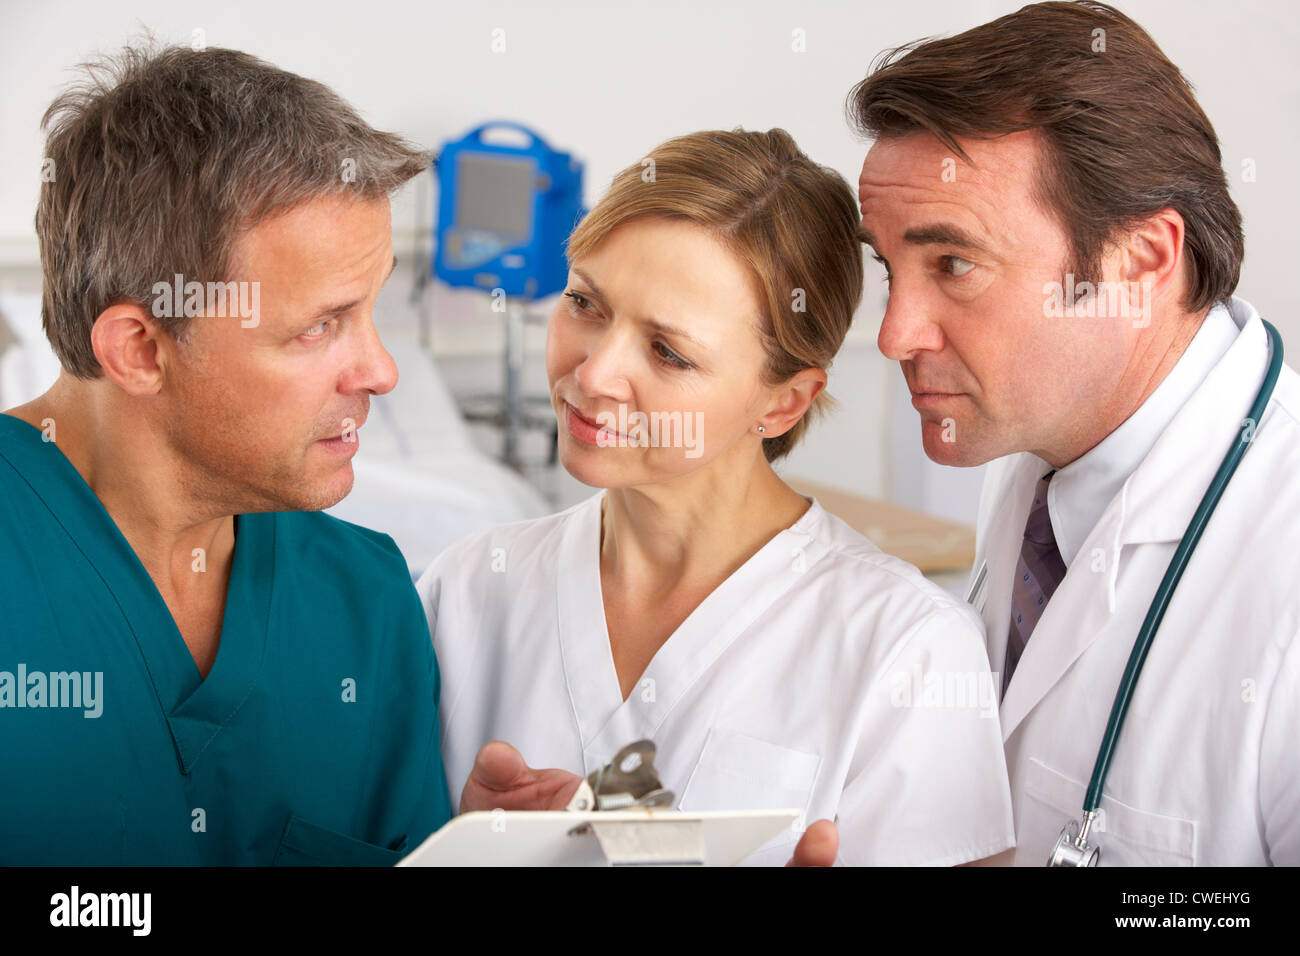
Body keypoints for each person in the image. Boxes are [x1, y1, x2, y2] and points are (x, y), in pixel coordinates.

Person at [1, 43, 547, 865]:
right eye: (319, 326)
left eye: (375, 311)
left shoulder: (367, 603)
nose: (382, 371)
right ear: (142, 350)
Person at [418, 128, 1016, 866]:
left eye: (669, 351)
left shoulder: (907, 649)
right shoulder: (467, 589)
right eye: (585, 303)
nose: (595, 372)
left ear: (784, 404)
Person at [849, 0, 1300, 864]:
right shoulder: (1040, 456)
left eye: (954, 264)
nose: (895, 334)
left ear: (1140, 262)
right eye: (889, 266)